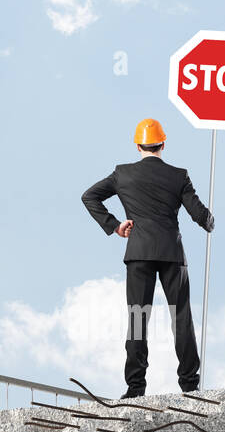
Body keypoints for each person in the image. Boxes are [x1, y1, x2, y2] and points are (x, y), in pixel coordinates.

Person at [81, 118, 215, 397]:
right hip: (171, 254)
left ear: (138, 145)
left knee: (138, 318)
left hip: (139, 253)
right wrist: (209, 221)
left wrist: (115, 224)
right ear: (163, 144)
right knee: (181, 317)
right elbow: (199, 215)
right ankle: (190, 385)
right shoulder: (179, 175)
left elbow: (89, 197)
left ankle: (135, 387)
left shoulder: (123, 174)